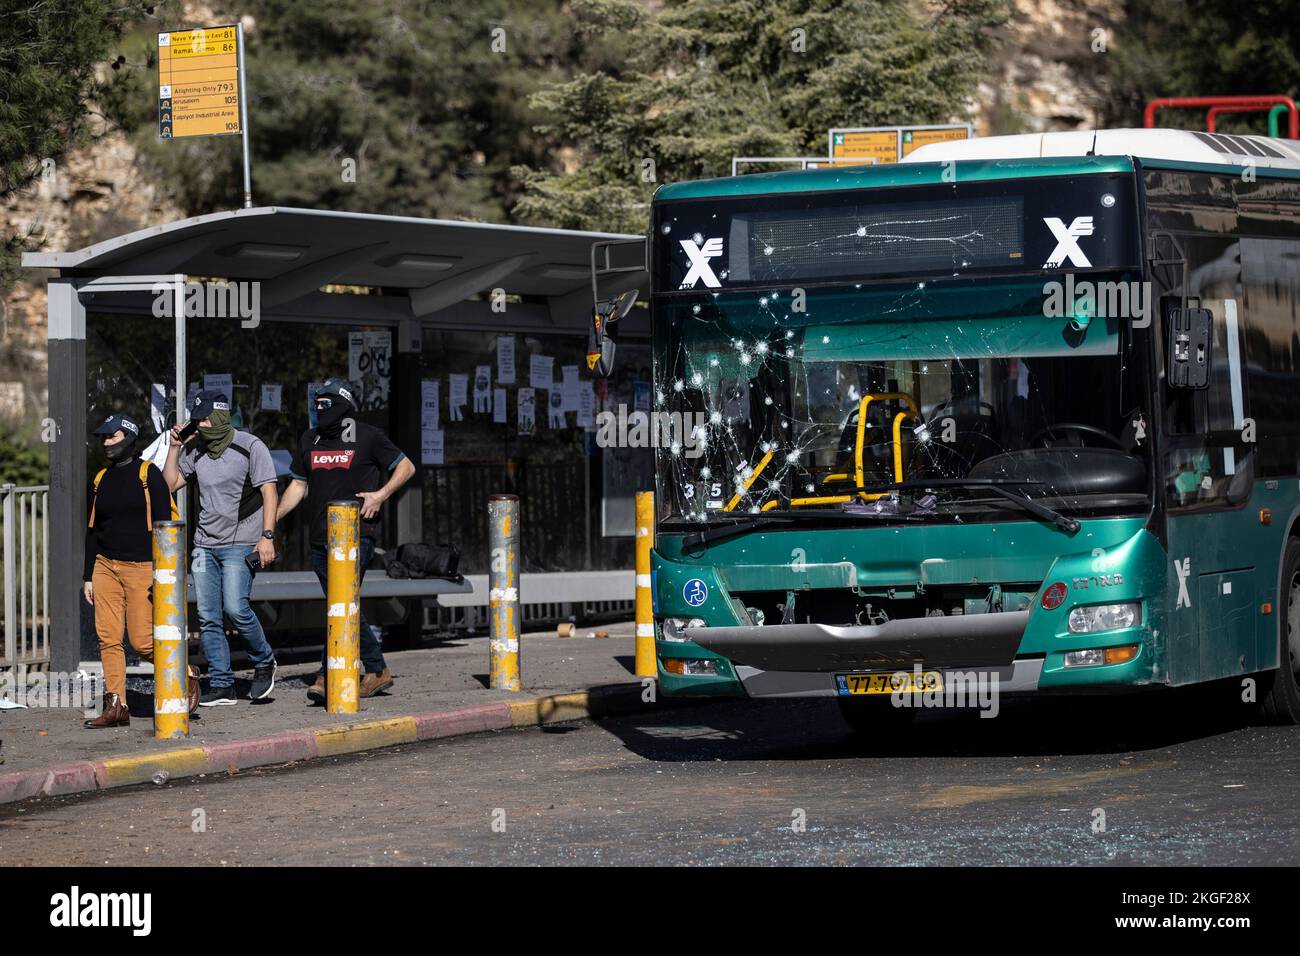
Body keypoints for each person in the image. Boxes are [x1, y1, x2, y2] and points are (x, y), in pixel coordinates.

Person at [276, 379, 415, 702]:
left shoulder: (367, 436)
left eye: (327, 402)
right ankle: (340, 670)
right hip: (320, 538)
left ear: (344, 404)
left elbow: (406, 466)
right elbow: (298, 486)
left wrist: (380, 495)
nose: (320, 408)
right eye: (317, 403)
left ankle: (360, 670)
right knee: (336, 604)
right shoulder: (309, 439)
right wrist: (272, 520)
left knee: (342, 602)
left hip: (356, 536)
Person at [164, 390, 279, 705]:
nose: (200, 425)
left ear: (218, 417)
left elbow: (269, 492)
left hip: (240, 542)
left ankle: (264, 660)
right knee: (208, 616)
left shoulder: (250, 446)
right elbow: (169, 485)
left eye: (204, 419)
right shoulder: (196, 450)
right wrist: (175, 449)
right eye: (196, 420)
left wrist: (267, 536)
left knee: (236, 608)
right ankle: (222, 683)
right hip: (204, 545)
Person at [83, 412, 198, 728]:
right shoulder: (100, 479)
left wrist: (165, 574)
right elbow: (92, 530)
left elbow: (166, 528)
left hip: (142, 568)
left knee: (143, 640)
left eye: (112, 437)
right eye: (104, 438)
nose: (107, 443)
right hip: (105, 566)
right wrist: (87, 575)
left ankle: (184, 672)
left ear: (129, 438)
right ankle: (116, 705)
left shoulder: (150, 475)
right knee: (107, 637)